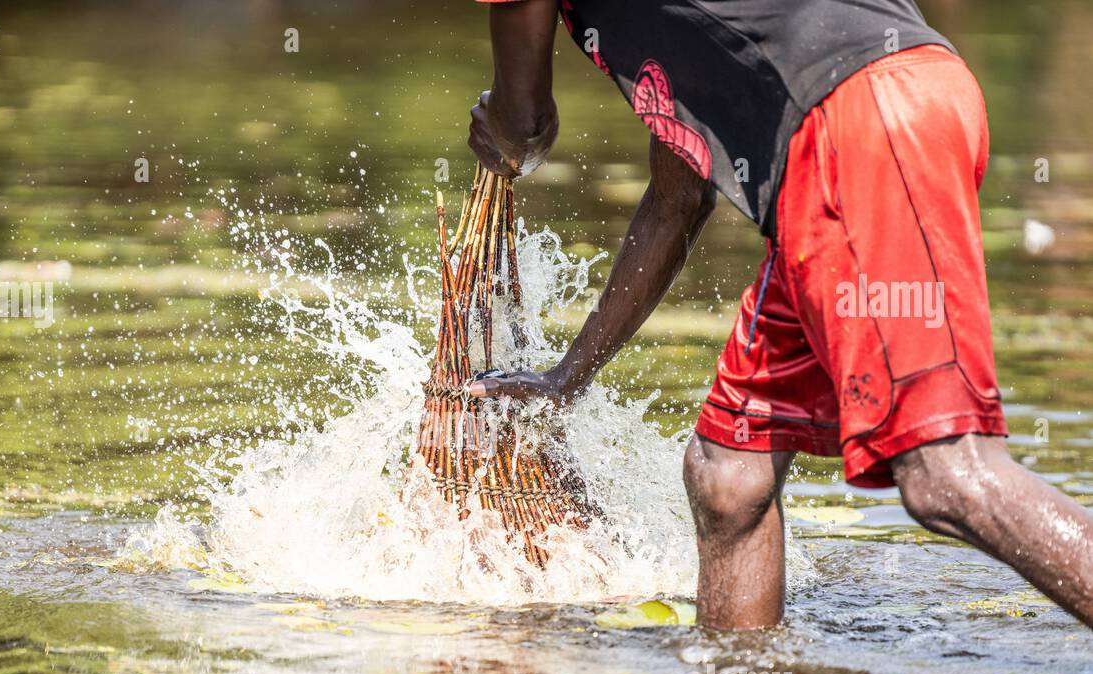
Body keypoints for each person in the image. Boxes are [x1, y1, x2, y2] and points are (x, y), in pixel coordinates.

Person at [464, 0, 1093, 629]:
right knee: (730, 476)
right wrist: (570, 374)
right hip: (895, 103)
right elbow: (678, 198)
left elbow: (520, 126)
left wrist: (509, 125)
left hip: (860, 123)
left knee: (946, 474)